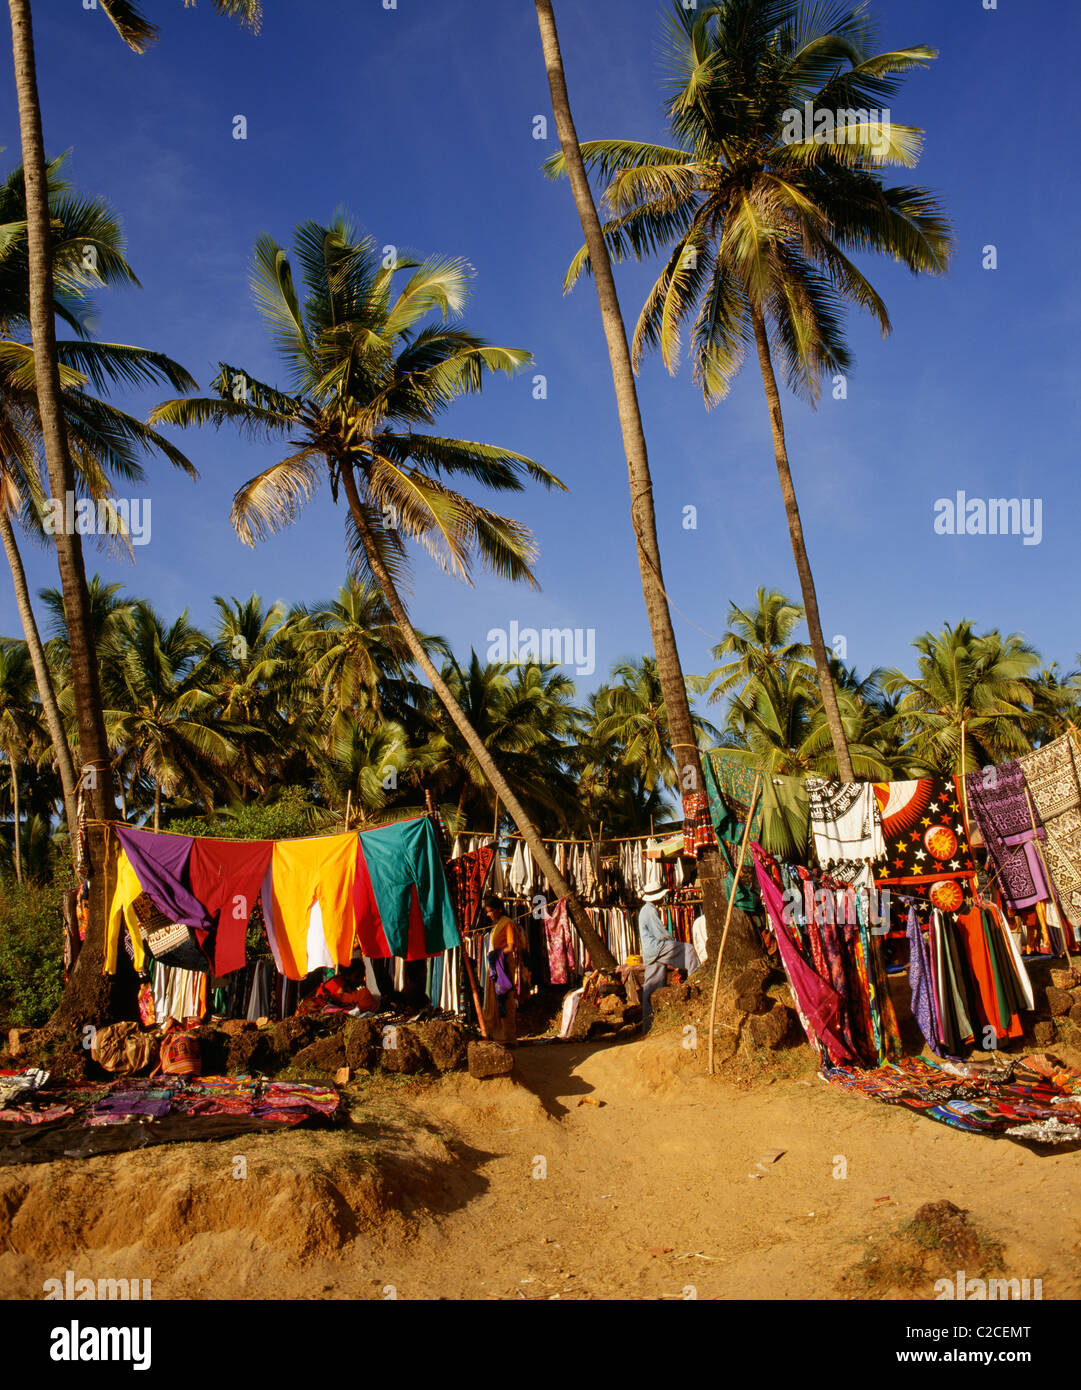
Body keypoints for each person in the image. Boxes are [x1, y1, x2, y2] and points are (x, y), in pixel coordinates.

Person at [638, 885, 700, 1032]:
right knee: (689, 950)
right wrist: (672, 940)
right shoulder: (650, 911)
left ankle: (648, 1026)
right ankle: (696, 982)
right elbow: (661, 934)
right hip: (657, 947)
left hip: (650, 952)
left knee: (651, 987)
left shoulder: (645, 910)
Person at [481, 894, 529, 1044]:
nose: (489, 915)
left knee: (505, 999)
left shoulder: (507, 923)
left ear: (499, 909)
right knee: (495, 999)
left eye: (491, 911)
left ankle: (507, 1036)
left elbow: (511, 946)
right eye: (487, 912)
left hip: (504, 966)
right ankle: (496, 1032)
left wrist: (497, 953)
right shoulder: (498, 924)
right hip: (496, 964)